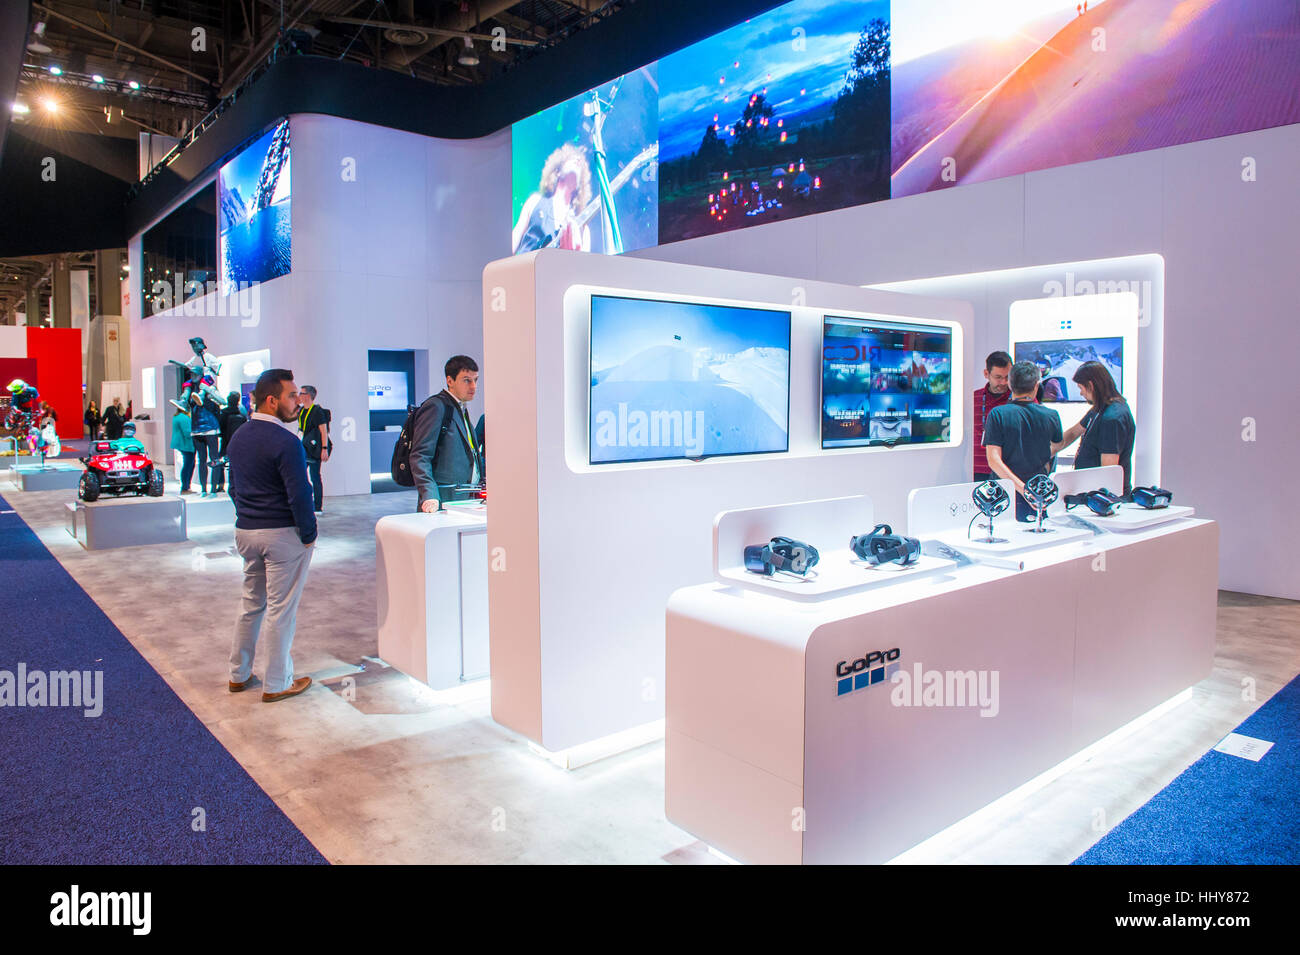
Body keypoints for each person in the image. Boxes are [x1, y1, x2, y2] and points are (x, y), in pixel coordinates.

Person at [226, 369, 317, 703]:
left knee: (251, 605)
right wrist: (308, 534)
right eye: (292, 396)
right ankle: (277, 683)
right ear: (271, 400)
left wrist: (247, 515)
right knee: (281, 610)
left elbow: (232, 487)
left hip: (246, 531)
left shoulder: (239, 437)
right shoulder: (286, 442)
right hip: (281, 536)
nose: (298, 401)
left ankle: (239, 674)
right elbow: (299, 495)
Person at [982, 361, 1069, 522]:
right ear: (1036, 385)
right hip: (1038, 493)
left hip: (1004, 494)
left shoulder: (998, 414)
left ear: (1009, 383)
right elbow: (1057, 446)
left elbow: (994, 460)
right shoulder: (1051, 415)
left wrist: (1022, 489)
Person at [409, 355, 484, 513]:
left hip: (465, 500)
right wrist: (429, 494)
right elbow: (420, 455)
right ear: (450, 381)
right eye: (466, 380)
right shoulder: (436, 407)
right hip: (442, 502)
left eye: (475, 380)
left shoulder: (459, 408)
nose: (473, 386)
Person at [1056, 360, 1137, 495]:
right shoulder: (1100, 409)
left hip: (1103, 498)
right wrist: (1047, 451)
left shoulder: (1113, 418)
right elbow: (1072, 434)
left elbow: (1109, 471)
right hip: (1091, 493)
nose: (1081, 393)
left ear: (1091, 385)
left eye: (1081, 388)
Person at [511, 143, 593, 254]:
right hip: (522, 268)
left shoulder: (582, 227)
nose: (578, 160)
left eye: (580, 165)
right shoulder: (535, 201)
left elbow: (585, 268)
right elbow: (514, 238)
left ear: (580, 185)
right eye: (571, 159)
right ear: (557, 171)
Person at [972, 351, 1013, 481]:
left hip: (1007, 472)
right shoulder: (972, 398)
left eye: (1007, 377)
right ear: (986, 374)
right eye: (998, 377)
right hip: (976, 471)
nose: (1004, 382)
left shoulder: (1018, 401)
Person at [297, 385, 331, 513]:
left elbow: (323, 431)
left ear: (308, 396)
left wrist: (324, 448)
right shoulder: (301, 411)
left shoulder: (317, 411)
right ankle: (306, 502)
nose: (300, 395)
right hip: (303, 447)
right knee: (300, 475)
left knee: (315, 476)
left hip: (315, 449)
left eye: (302, 393)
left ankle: (317, 506)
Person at [189, 386, 222, 498]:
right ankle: (213, 490)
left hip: (196, 431)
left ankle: (204, 490)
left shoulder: (193, 404)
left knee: (201, 460)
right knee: (215, 460)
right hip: (211, 430)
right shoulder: (212, 404)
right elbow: (219, 414)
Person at [213, 391, 247, 495]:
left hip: (225, 441)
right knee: (236, 464)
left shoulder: (223, 413)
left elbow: (220, 427)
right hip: (238, 442)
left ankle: (220, 484)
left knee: (221, 462)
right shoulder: (242, 414)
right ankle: (237, 483)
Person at [171, 405, 196, 494]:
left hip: (182, 444)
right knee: (188, 465)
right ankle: (185, 487)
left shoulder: (177, 417)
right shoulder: (184, 418)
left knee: (188, 464)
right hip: (186, 444)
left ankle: (186, 486)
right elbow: (187, 432)